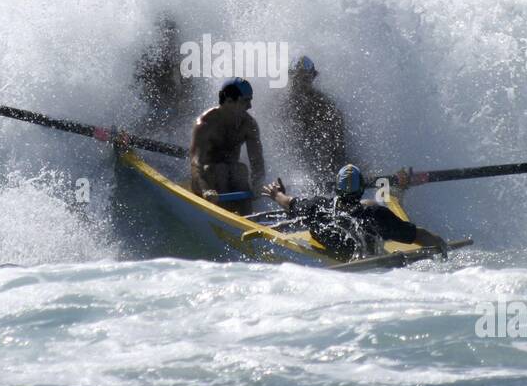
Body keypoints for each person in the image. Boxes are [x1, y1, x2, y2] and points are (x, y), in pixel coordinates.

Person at [262, 164, 446, 259]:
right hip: (374, 269)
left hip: (334, 265)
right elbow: (419, 235)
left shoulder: (315, 206)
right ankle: (397, 191)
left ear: (336, 189)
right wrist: (440, 243)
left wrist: (276, 193)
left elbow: (287, 202)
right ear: (361, 190)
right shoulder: (374, 213)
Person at [189, 77, 265, 211]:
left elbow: (257, 162)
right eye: (245, 101)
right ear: (229, 101)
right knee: (218, 171)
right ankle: (223, 213)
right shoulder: (205, 125)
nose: (250, 106)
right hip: (207, 182)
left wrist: (258, 183)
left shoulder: (248, 125)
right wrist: (205, 189)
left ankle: (247, 218)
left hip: (231, 178)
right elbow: (196, 164)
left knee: (241, 170)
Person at [278, 55, 349, 190]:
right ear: (290, 76)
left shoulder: (324, 104)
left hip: (321, 159)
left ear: (313, 77)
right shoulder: (281, 104)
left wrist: (341, 167)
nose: (300, 83)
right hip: (295, 156)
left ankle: (329, 180)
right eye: (297, 78)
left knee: (324, 135)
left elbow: (339, 143)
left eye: (305, 79)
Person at [133, 14, 197, 137]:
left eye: (171, 35)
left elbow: (189, 91)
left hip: (176, 113)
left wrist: (183, 104)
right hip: (156, 109)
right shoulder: (150, 56)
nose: (167, 39)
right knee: (142, 126)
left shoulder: (183, 58)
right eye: (164, 34)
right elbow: (137, 82)